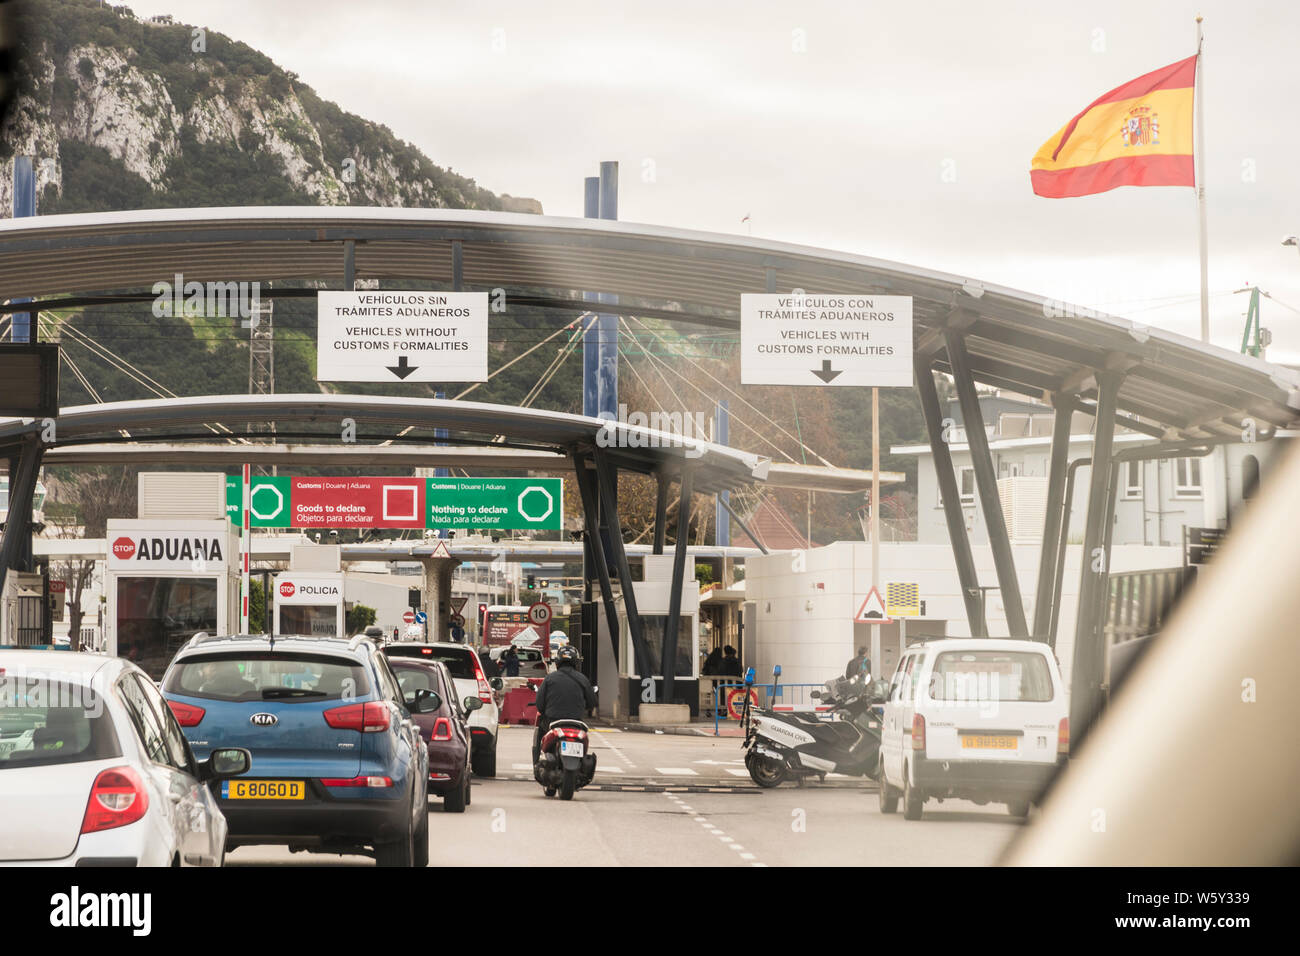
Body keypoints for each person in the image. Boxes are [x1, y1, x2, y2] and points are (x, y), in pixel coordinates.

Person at [531, 644, 596, 765]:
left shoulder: (549, 679)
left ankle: (537, 762)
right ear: (576, 662)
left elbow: (540, 705)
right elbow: (592, 702)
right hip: (576, 722)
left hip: (552, 721)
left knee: (540, 730)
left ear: (557, 662)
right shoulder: (583, 679)